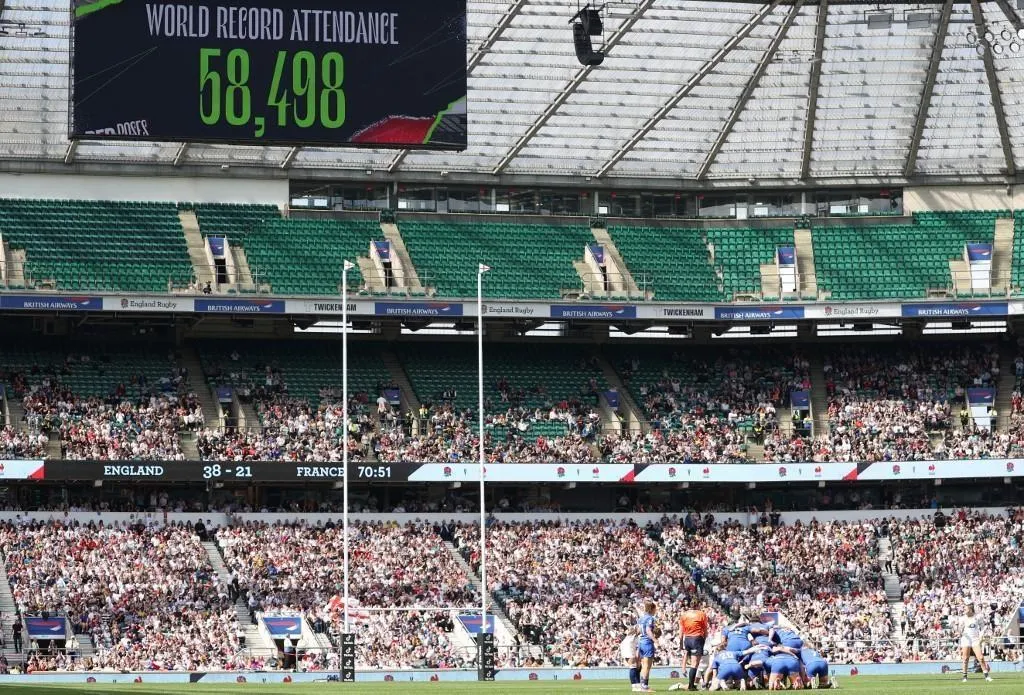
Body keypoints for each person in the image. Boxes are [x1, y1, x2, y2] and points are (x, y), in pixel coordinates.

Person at [679, 602, 710, 691]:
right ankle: (691, 686)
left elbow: (680, 632)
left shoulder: (684, 615)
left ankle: (692, 684)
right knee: (695, 664)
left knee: (692, 662)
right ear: (697, 605)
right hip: (697, 638)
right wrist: (703, 640)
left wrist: (681, 644)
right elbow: (705, 630)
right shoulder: (701, 614)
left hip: (687, 639)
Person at [960, 605, 993, 683]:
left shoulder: (978, 617)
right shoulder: (962, 618)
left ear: (970, 609)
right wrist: (959, 630)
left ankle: (987, 676)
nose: (964, 609)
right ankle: (964, 677)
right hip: (966, 639)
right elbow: (960, 629)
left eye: (965, 608)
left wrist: (981, 635)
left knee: (981, 658)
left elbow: (982, 626)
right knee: (965, 659)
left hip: (975, 639)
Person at [637, 601, 659, 692]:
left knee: (644, 665)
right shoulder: (650, 618)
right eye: (655, 609)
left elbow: (638, 630)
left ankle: (643, 685)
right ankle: (644, 686)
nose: (656, 610)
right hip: (647, 642)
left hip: (641, 642)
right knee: (647, 666)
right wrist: (655, 640)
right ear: (652, 609)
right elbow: (648, 630)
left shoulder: (641, 618)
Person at [621, 623, 641, 692]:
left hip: (631, 648)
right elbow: (632, 630)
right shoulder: (631, 634)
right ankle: (634, 686)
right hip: (628, 649)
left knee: (638, 667)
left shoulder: (636, 637)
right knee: (633, 666)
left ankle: (638, 684)